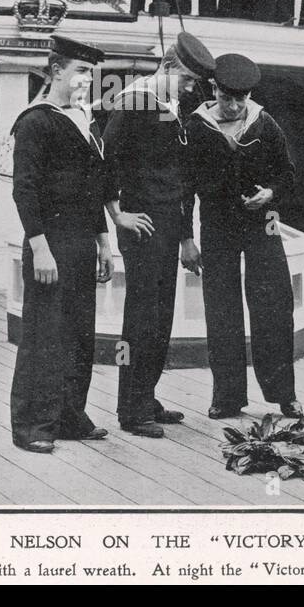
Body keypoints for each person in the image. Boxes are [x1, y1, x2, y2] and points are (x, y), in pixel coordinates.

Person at [104, 32, 216, 438]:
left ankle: (145, 396)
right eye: (186, 79)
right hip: (144, 228)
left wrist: (187, 236)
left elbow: (181, 178)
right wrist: (118, 215)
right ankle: (131, 411)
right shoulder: (133, 101)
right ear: (167, 67)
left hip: (169, 226)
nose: (190, 89)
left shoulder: (170, 105)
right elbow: (106, 161)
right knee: (142, 318)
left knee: (160, 317)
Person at [9, 35, 115, 454]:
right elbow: (25, 190)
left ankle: (70, 416)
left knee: (78, 335)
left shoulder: (81, 122)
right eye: (80, 72)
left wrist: (104, 241)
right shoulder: (36, 122)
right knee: (43, 336)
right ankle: (33, 426)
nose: (86, 80)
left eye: (90, 73)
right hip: (49, 244)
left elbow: (93, 188)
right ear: (56, 72)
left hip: (81, 244)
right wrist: (40, 248)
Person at [184, 53, 303, 420]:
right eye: (227, 98)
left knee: (273, 308)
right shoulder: (194, 127)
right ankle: (227, 397)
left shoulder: (265, 124)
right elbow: (184, 187)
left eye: (242, 98)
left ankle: (284, 395)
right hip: (217, 225)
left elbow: (287, 175)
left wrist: (271, 193)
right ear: (214, 89)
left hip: (262, 225)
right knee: (222, 310)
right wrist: (186, 238)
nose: (235, 106)